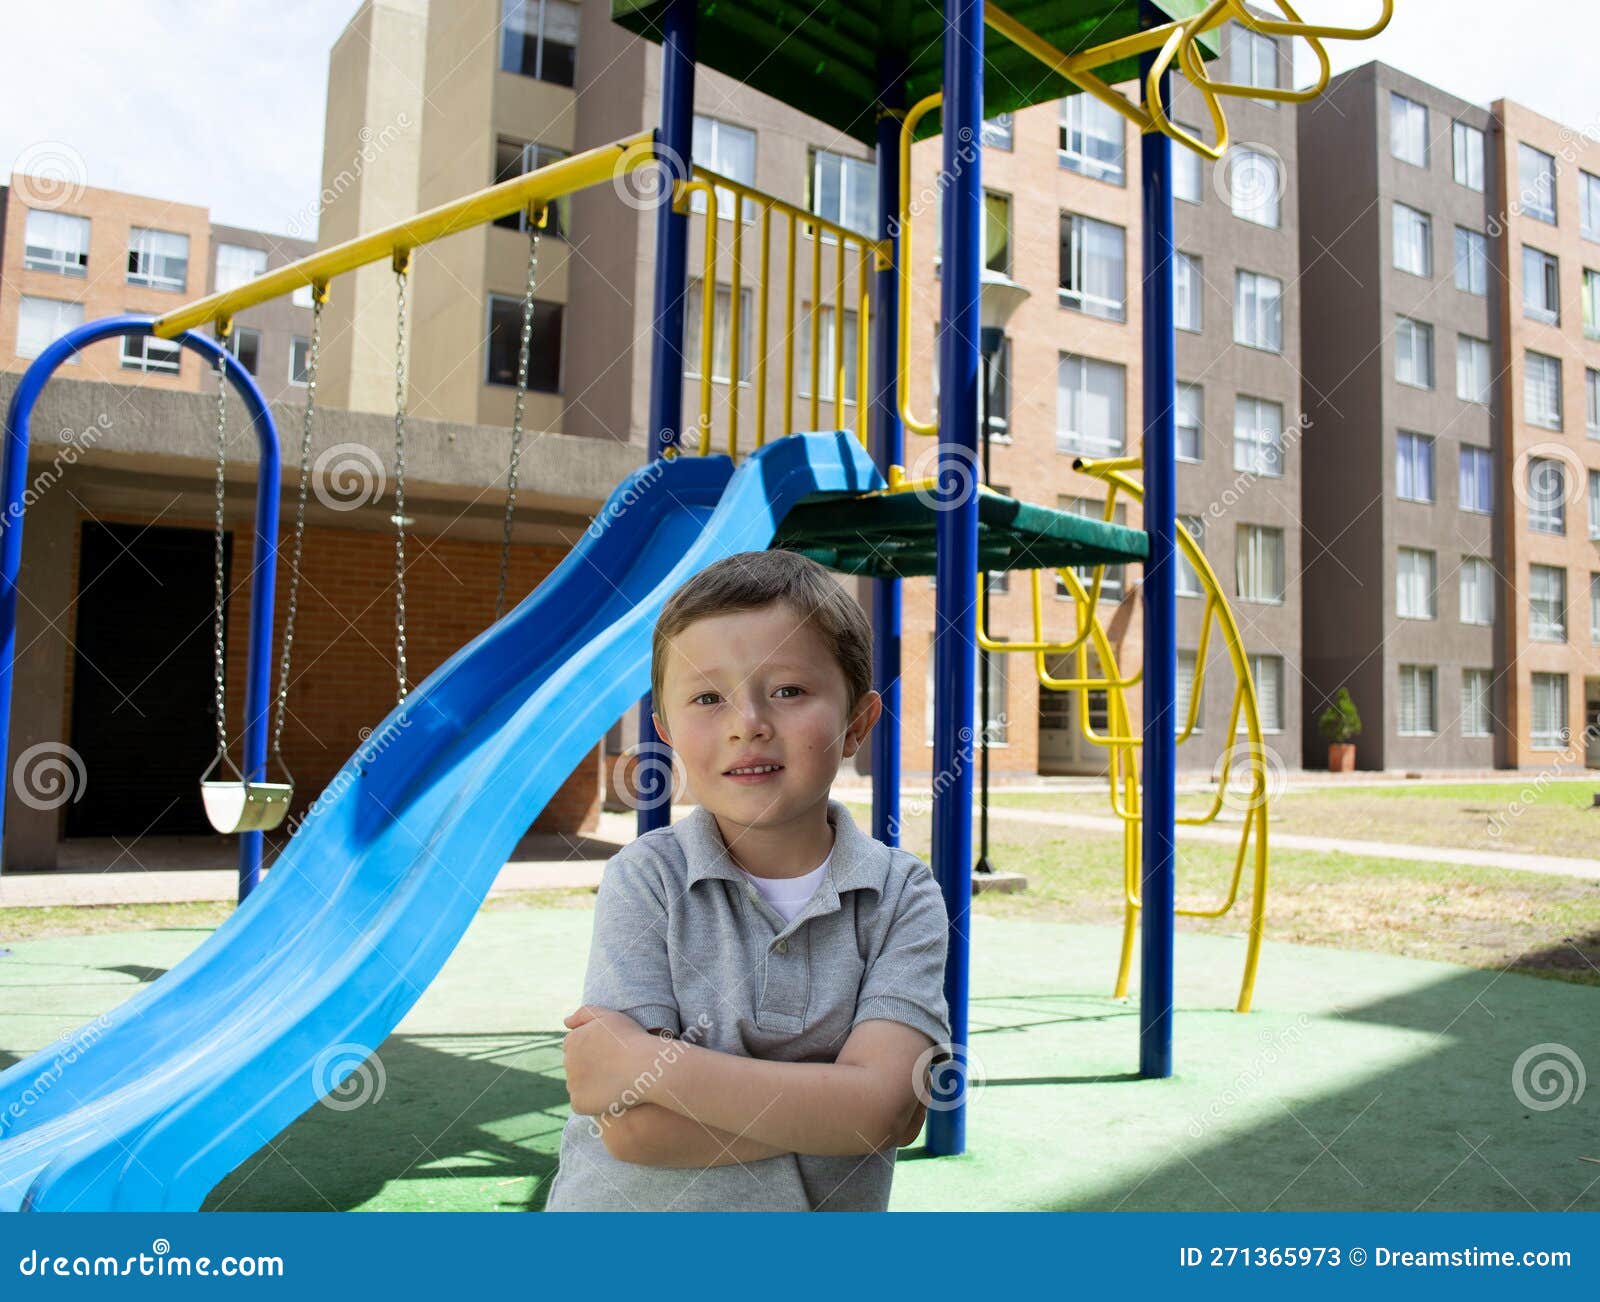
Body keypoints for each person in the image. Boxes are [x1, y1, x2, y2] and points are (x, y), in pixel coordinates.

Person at [543, 549, 951, 1211]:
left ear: (858, 723)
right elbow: (635, 1128)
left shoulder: (902, 897)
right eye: (708, 697)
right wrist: (838, 1110)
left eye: (788, 690)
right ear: (668, 732)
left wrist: (650, 1066)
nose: (748, 723)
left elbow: (878, 1115)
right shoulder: (644, 879)